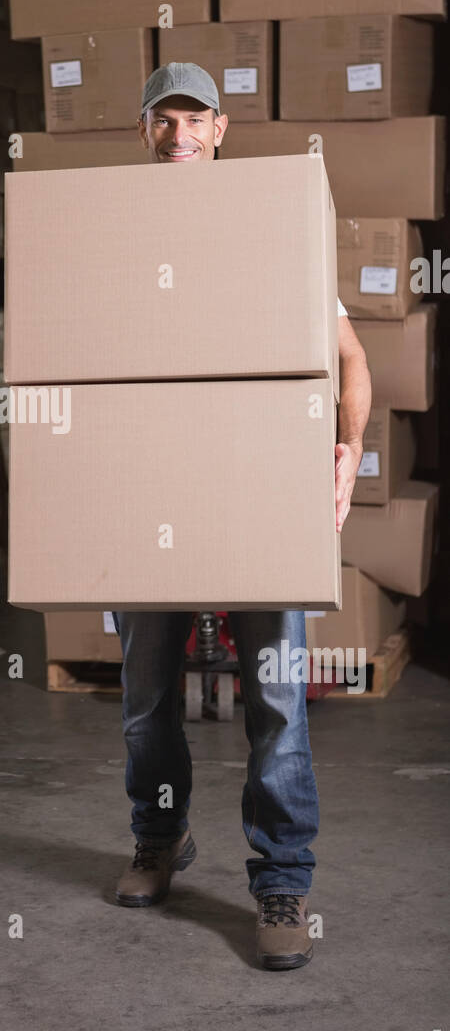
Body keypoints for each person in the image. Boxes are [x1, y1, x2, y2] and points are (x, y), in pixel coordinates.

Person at [112, 63, 372, 971]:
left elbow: (350, 357)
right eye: (161, 118)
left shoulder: (273, 225)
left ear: (220, 129)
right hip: (154, 501)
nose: (178, 132)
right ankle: (159, 839)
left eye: (194, 117)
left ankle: (281, 881)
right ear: (142, 133)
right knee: (145, 699)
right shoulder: (113, 239)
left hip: (258, 493)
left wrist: (349, 447)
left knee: (275, 701)